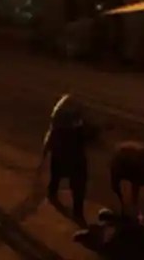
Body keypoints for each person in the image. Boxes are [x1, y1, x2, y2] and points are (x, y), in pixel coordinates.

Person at [42, 94, 96, 226]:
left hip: (62, 154)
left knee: (57, 175)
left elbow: (49, 139)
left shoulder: (58, 124)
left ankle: (53, 193)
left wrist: (46, 151)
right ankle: (77, 211)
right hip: (73, 157)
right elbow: (88, 133)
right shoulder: (75, 126)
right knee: (78, 184)